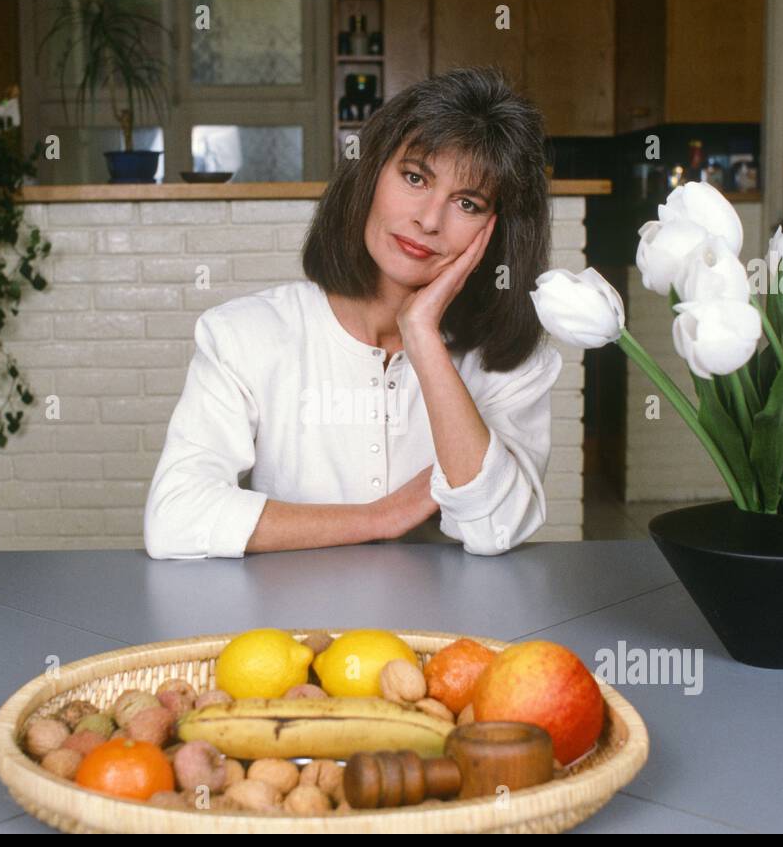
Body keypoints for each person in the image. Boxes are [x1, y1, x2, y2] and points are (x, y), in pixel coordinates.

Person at [143, 65, 562, 559]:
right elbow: (175, 519)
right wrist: (380, 517)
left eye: (467, 203)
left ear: (498, 230)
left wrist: (422, 336)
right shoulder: (242, 334)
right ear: (370, 174)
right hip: (290, 607)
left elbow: (497, 528)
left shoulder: (512, 362)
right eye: (414, 177)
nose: (429, 220)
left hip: (449, 610)